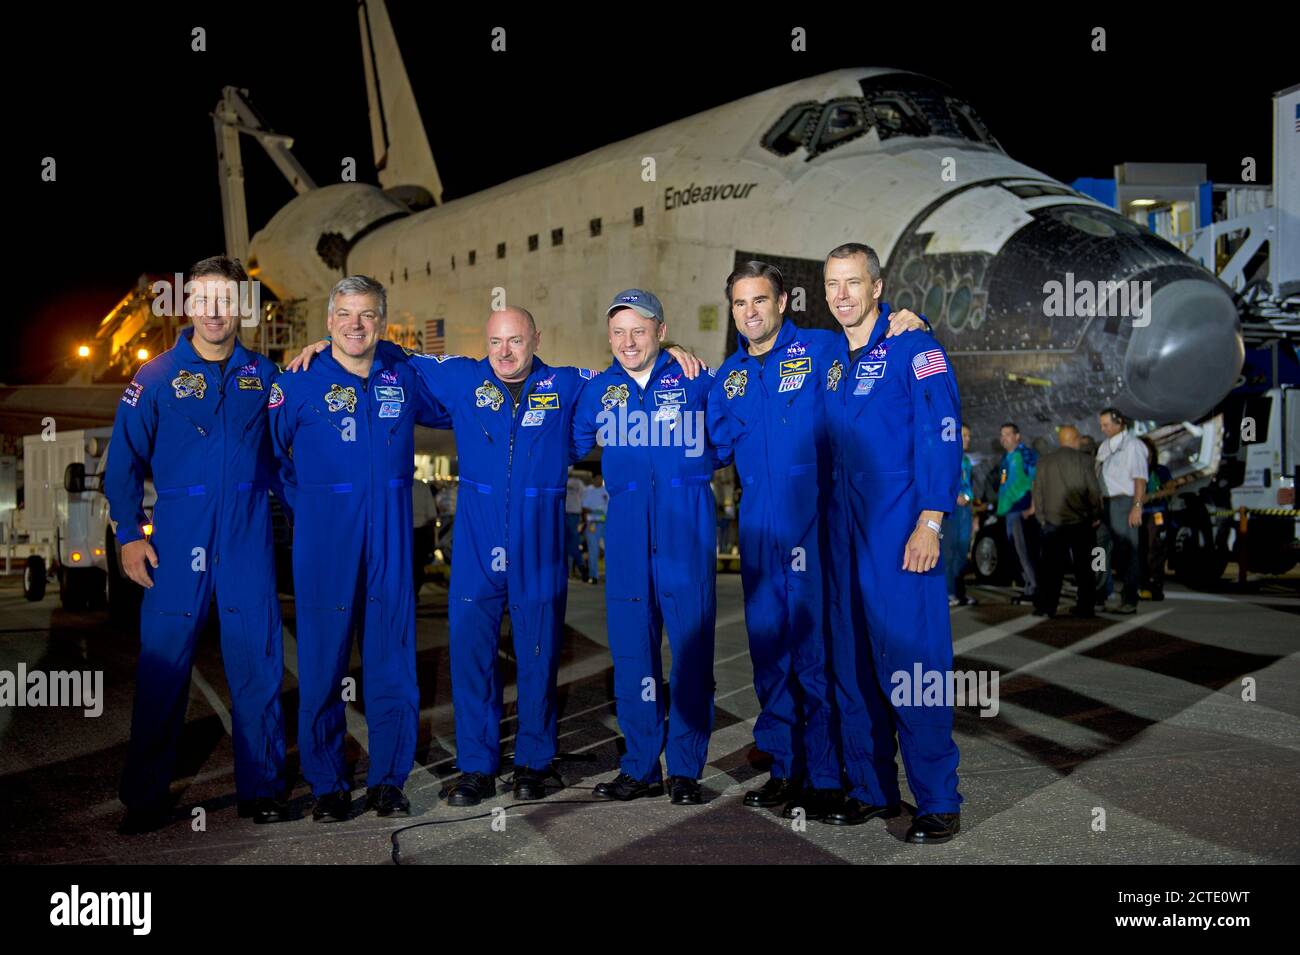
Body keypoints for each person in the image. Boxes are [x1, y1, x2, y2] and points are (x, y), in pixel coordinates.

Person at [287, 310, 705, 805]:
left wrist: (674, 353)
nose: (504, 352)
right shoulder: (462, 376)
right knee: (471, 660)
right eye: (495, 341)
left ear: (536, 339)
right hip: (476, 546)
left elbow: (629, 371)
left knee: (537, 656)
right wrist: (329, 342)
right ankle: (476, 767)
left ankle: (533, 762)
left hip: (540, 544)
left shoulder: (570, 383)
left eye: (515, 341)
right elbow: (390, 350)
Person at [707, 259, 927, 819]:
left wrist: (910, 322)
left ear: (783, 303)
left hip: (817, 536)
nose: (750, 312)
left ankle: (829, 775)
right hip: (759, 540)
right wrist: (674, 360)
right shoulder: (727, 378)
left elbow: (876, 355)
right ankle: (786, 767)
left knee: (820, 660)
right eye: (739, 303)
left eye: (760, 300)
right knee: (770, 661)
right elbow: (707, 448)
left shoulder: (824, 352)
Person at [105, 255, 289, 834]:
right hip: (178, 539)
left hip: (246, 536)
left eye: (227, 301)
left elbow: (294, 450)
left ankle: (263, 787)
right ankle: (145, 797)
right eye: (205, 300)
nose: (216, 312)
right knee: (164, 668)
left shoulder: (266, 376)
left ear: (242, 308)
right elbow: (123, 464)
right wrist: (130, 535)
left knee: (257, 663)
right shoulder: (154, 377)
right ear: (188, 306)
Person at [269, 275, 450, 821]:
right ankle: (327, 782)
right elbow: (271, 456)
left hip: (391, 538)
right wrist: (311, 506)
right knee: (323, 664)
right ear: (328, 322)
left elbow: (468, 394)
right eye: (345, 315)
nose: (355, 324)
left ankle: (388, 780)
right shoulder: (297, 381)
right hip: (326, 542)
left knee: (392, 661)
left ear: (381, 322)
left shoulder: (404, 372)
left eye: (368, 315)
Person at [819, 242, 963, 843]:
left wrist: (930, 520)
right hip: (839, 535)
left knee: (913, 663)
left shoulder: (915, 347)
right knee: (851, 666)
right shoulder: (827, 359)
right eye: (832, 285)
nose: (842, 295)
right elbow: (763, 332)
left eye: (853, 283)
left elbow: (942, 432)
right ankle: (871, 789)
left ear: (878, 288)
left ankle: (937, 800)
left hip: (899, 532)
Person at [573, 289, 724, 805]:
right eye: (618, 332)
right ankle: (639, 767)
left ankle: (684, 768)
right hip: (628, 541)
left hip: (687, 535)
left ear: (662, 331)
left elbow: (725, 442)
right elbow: (569, 440)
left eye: (640, 330)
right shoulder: (597, 392)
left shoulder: (696, 378)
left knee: (691, 656)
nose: (628, 342)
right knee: (634, 656)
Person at [1030, 425, 1102, 618]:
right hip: (1081, 522)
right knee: (1085, 569)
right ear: (1074, 439)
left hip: (1053, 523)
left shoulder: (1044, 462)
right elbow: (1094, 492)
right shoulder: (1085, 461)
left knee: (1051, 570)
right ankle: (1085, 607)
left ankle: (1047, 607)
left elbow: (1037, 493)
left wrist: (1042, 518)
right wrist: (1096, 515)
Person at [1096, 407, 1148, 614]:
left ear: (1119, 423)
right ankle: (1098, 594)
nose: (1103, 429)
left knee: (1128, 553)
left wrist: (1137, 506)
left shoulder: (1133, 446)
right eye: (1101, 425)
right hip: (1104, 505)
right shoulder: (1104, 446)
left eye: (1106, 425)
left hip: (1124, 502)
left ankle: (1129, 599)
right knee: (1098, 550)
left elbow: (1140, 479)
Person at [997, 423, 1039, 600]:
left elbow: (1036, 479)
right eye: (1002, 435)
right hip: (1008, 511)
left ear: (1017, 436)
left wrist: (1034, 506)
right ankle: (1029, 586)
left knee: (1024, 550)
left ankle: (1034, 587)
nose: (1003, 438)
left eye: (1007, 434)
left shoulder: (1026, 454)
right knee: (1016, 551)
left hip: (1021, 510)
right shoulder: (1006, 458)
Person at [942, 424, 975, 607]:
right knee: (949, 553)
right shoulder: (946, 457)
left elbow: (969, 486)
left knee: (962, 553)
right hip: (951, 511)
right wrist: (955, 497)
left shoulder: (967, 461)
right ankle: (947, 592)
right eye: (964, 435)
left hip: (965, 511)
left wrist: (968, 497)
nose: (968, 439)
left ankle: (960, 592)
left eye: (969, 435)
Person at [1138, 435, 1171, 601]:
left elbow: (1171, 489)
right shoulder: (1134, 471)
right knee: (1140, 550)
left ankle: (1155, 585)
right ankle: (1143, 584)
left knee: (1155, 549)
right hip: (1139, 514)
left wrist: (1152, 496)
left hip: (1156, 513)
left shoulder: (1161, 471)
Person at [580, 474, 609, 585]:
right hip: (593, 523)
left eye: (601, 478)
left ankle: (610, 575)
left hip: (606, 523)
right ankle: (594, 575)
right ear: (593, 479)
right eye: (597, 478)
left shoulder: (606, 491)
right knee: (593, 551)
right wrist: (595, 515)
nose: (599, 480)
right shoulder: (588, 491)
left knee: (609, 550)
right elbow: (585, 508)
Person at [413, 478, 437, 594]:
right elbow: (432, 516)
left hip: (401, 532)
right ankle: (415, 593)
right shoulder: (423, 487)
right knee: (418, 566)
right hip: (420, 532)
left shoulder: (398, 486)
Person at [565, 469, 588, 579]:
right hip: (563, 514)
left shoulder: (578, 483)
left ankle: (580, 566)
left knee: (573, 542)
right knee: (568, 543)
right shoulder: (561, 480)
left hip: (574, 514)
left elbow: (584, 499)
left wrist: (583, 516)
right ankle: (579, 567)